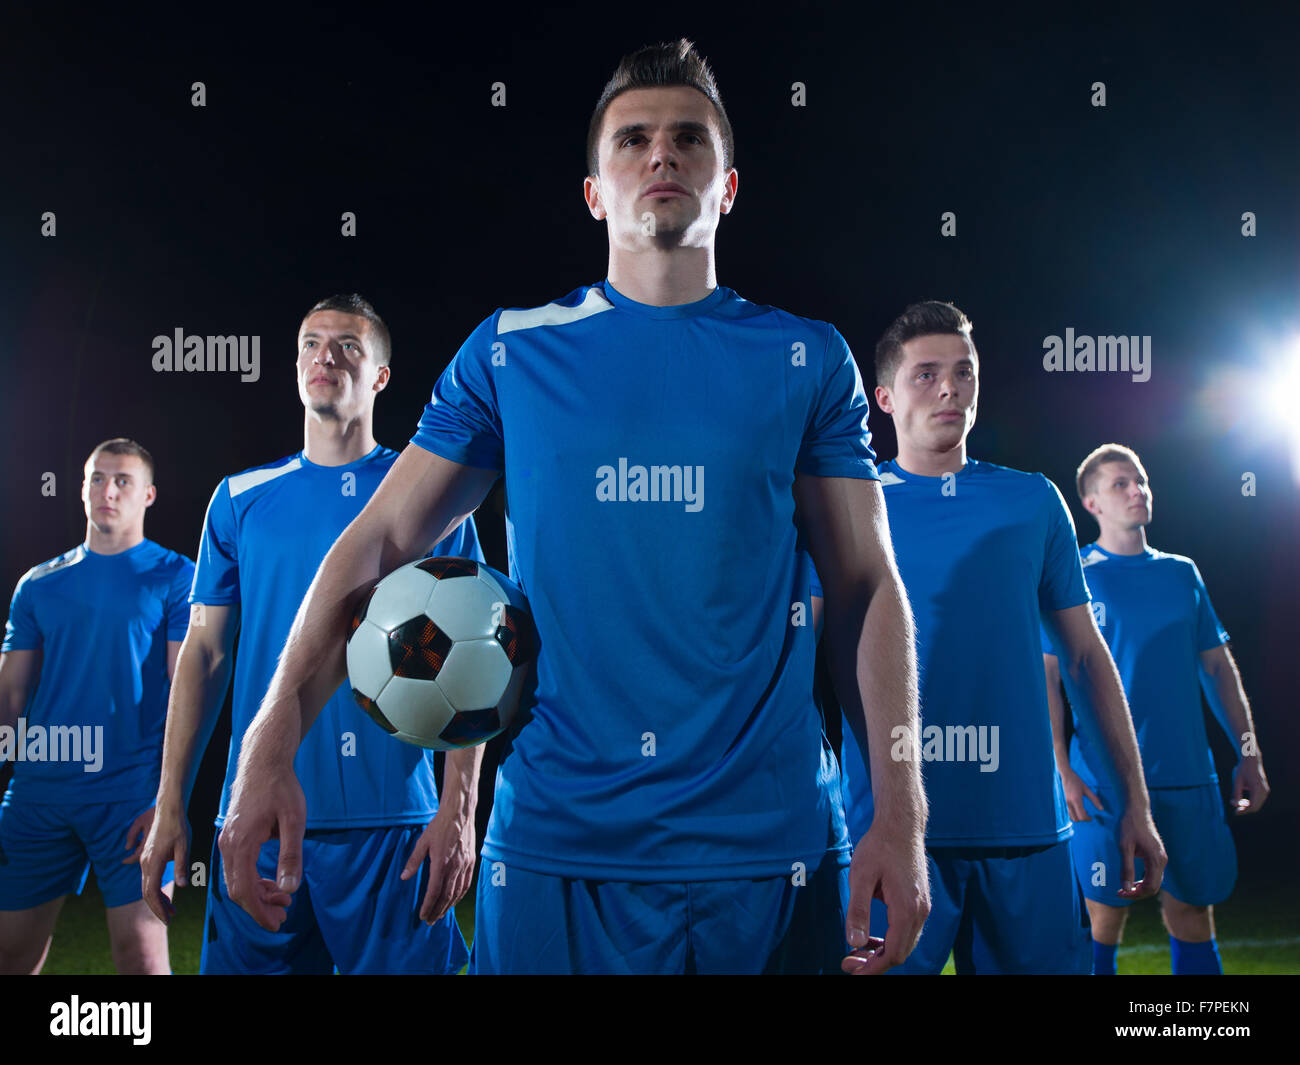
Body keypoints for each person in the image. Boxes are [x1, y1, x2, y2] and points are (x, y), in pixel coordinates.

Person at [217, 40, 930, 976]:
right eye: (632, 140)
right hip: (556, 850)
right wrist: (269, 741)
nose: (661, 156)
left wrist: (901, 811)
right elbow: (379, 543)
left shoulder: (806, 358)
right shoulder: (510, 353)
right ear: (594, 190)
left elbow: (868, 586)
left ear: (729, 184)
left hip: (772, 849)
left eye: (688, 139)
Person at [140, 294, 483, 974]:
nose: (325, 355)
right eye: (311, 343)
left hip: (393, 827)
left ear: (381, 375)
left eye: (348, 345)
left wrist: (459, 806)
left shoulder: (427, 494)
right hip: (256, 823)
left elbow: (476, 656)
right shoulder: (240, 498)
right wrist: (169, 802)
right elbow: (204, 656)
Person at [840, 300, 1167, 974]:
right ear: (884, 395)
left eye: (964, 372)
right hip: (892, 833)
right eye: (926, 374)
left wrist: (1133, 801)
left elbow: (1084, 656)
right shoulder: (848, 506)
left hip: (1027, 834)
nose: (950, 388)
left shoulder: (1032, 500)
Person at [1043, 443, 1268, 975]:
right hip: (1104, 782)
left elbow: (1218, 669)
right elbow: (1048, 678)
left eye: (1140, 480)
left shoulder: (1181, 573)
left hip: (1188, 775)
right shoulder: (1073, 575)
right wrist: (1062, 769)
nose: (1136, 490)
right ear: (1091, 503)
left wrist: (1249, 754)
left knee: (1192, 910)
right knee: (1103, 917)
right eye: (1120, 483)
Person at [0, 439, 192, 974]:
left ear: (148, 494)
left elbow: (186, 691)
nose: (108, 491)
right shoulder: (38, 585)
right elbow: (10, 697)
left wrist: (170, 798)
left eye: (123, 480)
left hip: (130, 796)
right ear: (83, 489)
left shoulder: (177, 577)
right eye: (97, 479)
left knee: (142, 957)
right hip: (38, 792)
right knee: (9, 954)